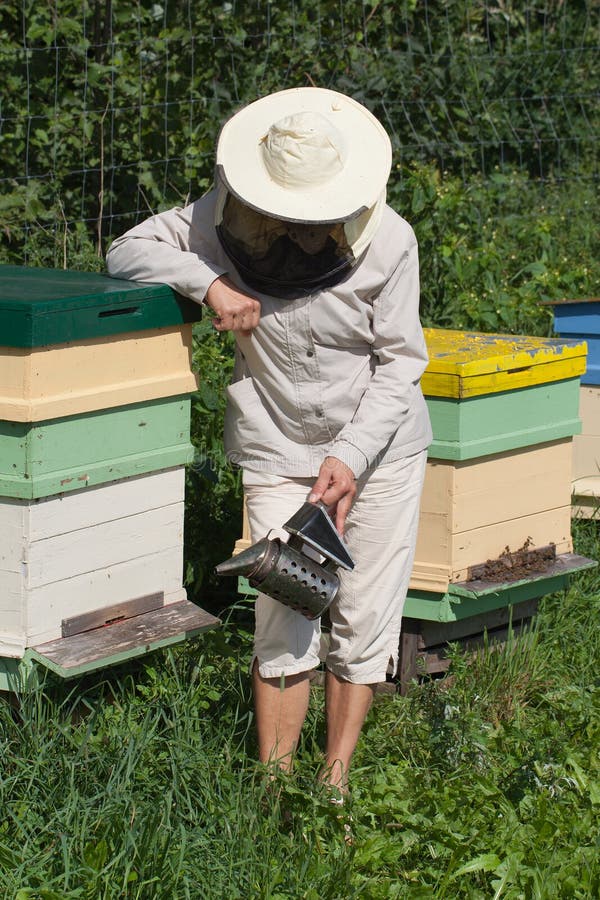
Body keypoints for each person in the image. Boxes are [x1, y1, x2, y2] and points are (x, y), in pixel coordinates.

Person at [106, 86, 432, 798]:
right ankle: (274, 790)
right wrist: (209, 282)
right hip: (278, 444)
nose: (294, 229)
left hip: (379, 452)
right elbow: (126, 250)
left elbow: (402, 362)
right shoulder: (218, 216)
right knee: (283, 611)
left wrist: (349, 458)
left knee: (363, 613)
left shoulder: (391, 242)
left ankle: (333, 783)